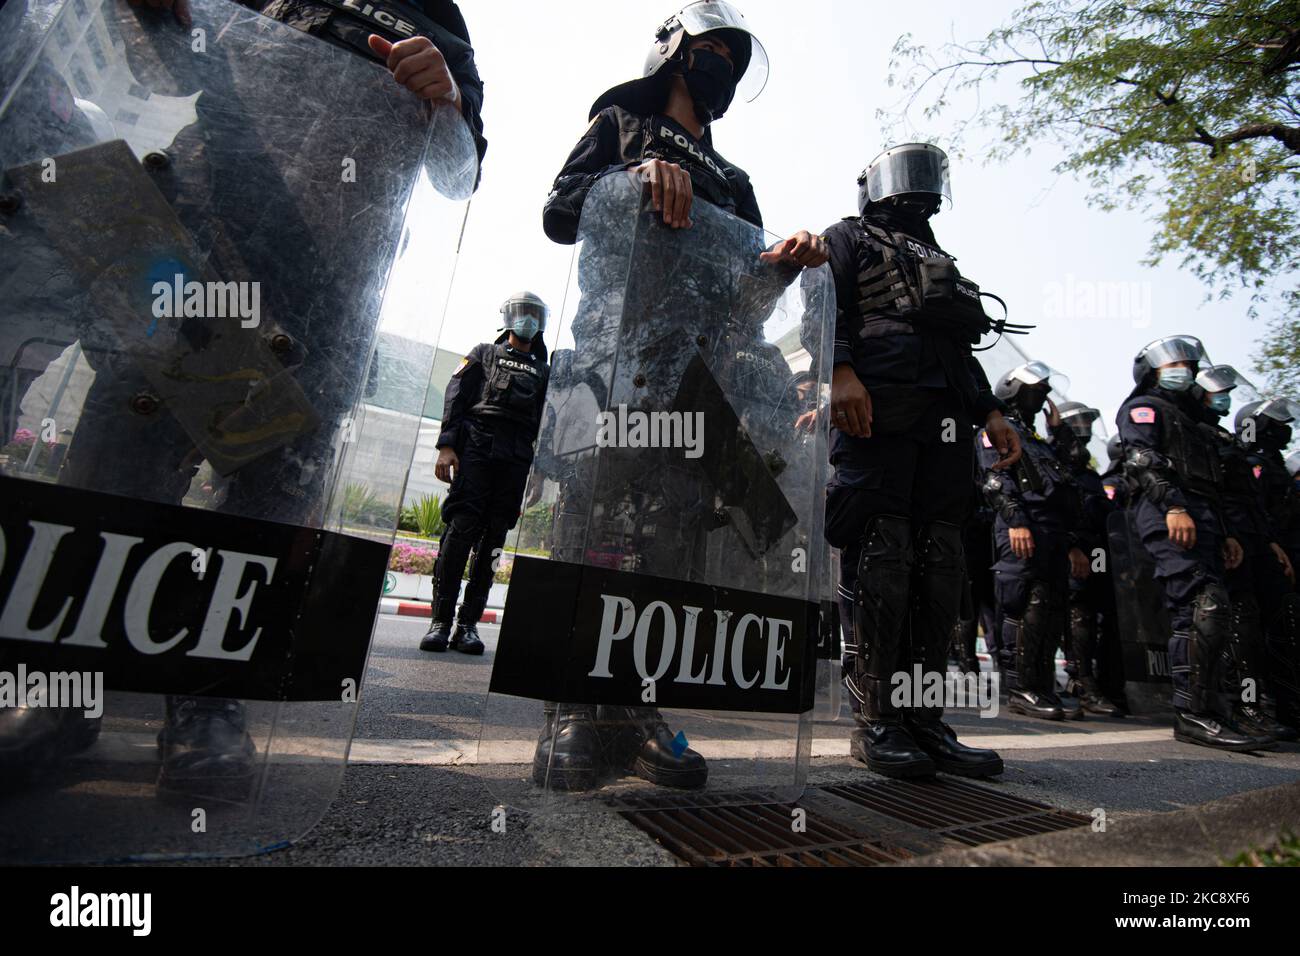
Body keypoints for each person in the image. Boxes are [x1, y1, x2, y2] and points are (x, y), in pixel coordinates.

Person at [0, 0, 484, 798]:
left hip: (334, 275)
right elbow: (174, 64)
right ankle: (59, 691)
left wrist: (450, 104)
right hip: (202, 239)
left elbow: (458, 171)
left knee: (262, 500)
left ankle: (207, 708)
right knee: (120, 462)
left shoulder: (442, 16)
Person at [532, 1, 829, 792]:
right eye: (713, 53)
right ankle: (570, 710)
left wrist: (785, 265)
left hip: (703, 378)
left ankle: (637, 712)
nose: (723, 69)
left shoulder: (736, 181)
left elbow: (747, 300)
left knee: (670, 542)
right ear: (675, 52)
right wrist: (630, 177)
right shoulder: (620, 119)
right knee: (595, 523)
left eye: (736, 61)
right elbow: (561, 212)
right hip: (621, 352)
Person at [817, 141, 1019, 779]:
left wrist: (989, 411)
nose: (920, 185)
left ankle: (926, 720)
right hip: (878, 410)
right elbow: (826, 307)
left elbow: (959, 347)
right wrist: (840, 371)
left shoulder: (942, 259)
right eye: (908, 172)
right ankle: (877, 721)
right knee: (883, 551)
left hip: (948, 422)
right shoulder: (848, 236)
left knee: (941, 563)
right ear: (873, 182)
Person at [1117, 336, 1271, 750]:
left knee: (1217, 609)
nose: (1183, 368)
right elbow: (1141, 460)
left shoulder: (1196, 422)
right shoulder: (1142, 408)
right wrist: (1172, 507)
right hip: (1171, 513)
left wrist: (1228, 533)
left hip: (1206, 520)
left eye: (1188, 363)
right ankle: (1192, 713)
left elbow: (1216, 484)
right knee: (1202, 605)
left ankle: (1213, 709)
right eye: (1174, 364)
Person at [420, 293, 550, 654]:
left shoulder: (544, 371)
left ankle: (468, 626)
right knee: (460, 531)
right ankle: (440, 622)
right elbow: (456, 396)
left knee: (493, 540)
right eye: (523, 313)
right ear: (509, 317)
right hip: (476, 449)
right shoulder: (483, 354)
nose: (528, 321)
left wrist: (539, 473)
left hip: (517, 458)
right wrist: (447, 446)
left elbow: (545, 422)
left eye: (534, 315)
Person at [978, 363, 1087, 722]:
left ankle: (1042, 686)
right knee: (1027, 605)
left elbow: (1069, 478)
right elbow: (994, 478)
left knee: (1053, 608)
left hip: (1052, 532)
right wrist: (1015, 520)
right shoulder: (995, 430)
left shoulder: (1037, 438)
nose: (1041, 397)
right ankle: (1021, 688)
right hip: (1022, 527)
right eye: (1034, 390)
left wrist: (1061, 433)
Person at [1051, 401, 1123, 716]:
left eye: (1087, 421)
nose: (1084, 427)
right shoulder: (1055, 462)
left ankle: (1097, 681)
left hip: (1098, 553)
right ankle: (1082, 683)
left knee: (1096, 613)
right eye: (1076, 422)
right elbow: (1056, 509)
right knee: (1078, 613)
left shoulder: (1089, 472)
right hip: (1073, 551)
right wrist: (1071, 547)